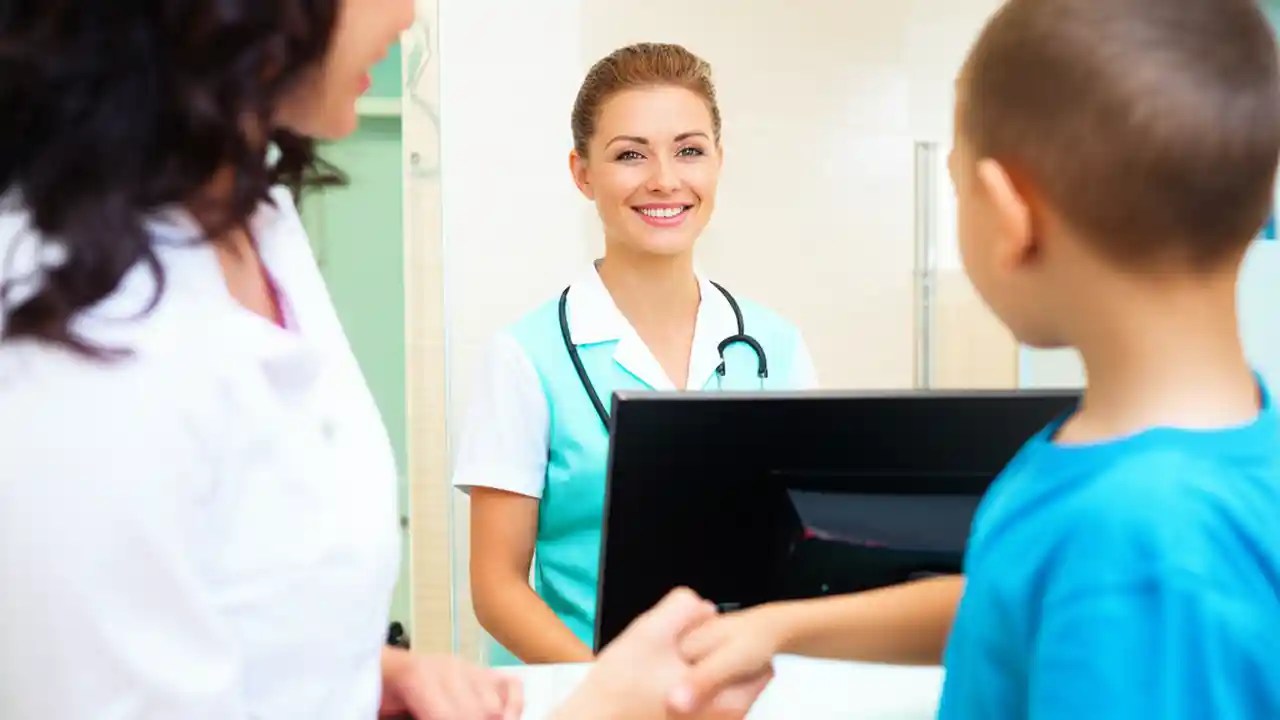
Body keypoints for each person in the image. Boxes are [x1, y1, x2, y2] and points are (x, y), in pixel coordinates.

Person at [667, 0, 1280, 718]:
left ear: (1009, 215)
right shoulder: (1197, 451)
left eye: (956, 185)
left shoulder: (1138, 542)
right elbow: (1007, 595)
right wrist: (779, 625)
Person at [0, 1, 525, 717]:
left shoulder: (255, 211)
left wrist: (359, 673)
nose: (407, 16)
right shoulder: (70, 319)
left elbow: (230, 583)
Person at [451, 42, 819, 666]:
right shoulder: (524, 357)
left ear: (718, 163)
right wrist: (608, 693)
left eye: (689, 150)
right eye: (629, 155)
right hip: (578, 695)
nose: (665, 180)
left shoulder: (775, 349)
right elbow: (497, 587)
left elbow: (807, 550)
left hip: (737, 693)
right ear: (582, 172)